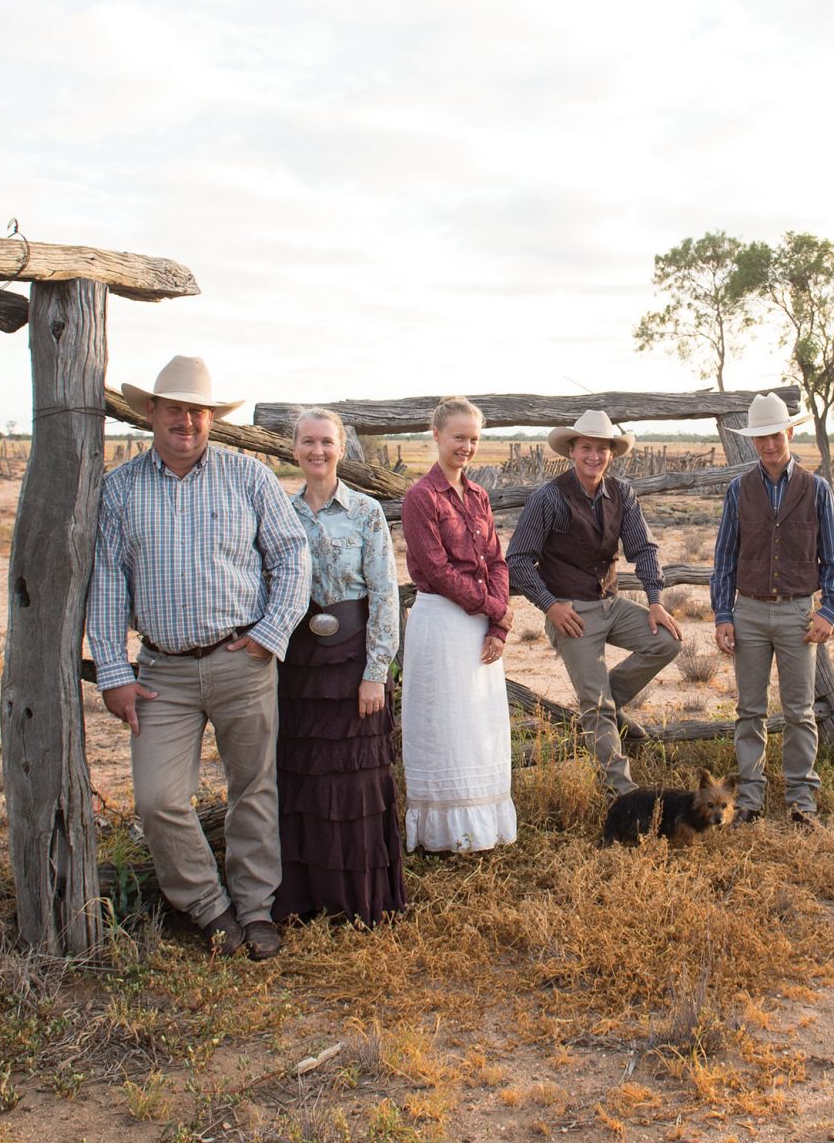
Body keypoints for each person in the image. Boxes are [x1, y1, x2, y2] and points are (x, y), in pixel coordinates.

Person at [88, 356, 310, 960]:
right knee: (158, 799)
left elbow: (291, 555)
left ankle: (257, 909)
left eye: (198, 410)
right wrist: (113, 671)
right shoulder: (121, 489)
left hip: (243, 659)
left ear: (211, 417)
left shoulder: (247, 477)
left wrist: (271, 632)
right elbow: (106, 582)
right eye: (175, 409)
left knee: (253, 788)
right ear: (152, 414)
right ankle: (209, 907)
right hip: (162, 673)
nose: (186, 420)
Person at [275, 407, 407, 924]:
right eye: (307, 442)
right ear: (294, 450)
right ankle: (306, 899)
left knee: (355, 779)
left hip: (353, 659)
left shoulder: (366, 512)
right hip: (300, 667)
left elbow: (384, 595)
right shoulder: (281, 512)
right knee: (304, 777)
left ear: (342, 448)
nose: (317, 451)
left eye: (326, 442)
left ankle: (360, 901)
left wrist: (376, 671)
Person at [506, 409, 681, 796]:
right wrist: (550, 605)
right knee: (598, 705)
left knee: (667, 641)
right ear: (572, 450)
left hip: (610, 605)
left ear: (612, 454)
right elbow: (517, 560)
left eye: (602, 449)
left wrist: (655, 600)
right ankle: (621, 792)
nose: (594, 456)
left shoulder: (623, 494)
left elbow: (645, 548)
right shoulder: (549, 498)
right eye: (586, 447)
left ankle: (598, 705)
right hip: (570, 613)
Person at [709, 393, 834, 828]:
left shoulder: (816, 489)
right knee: (749, 711)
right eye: (761, 438)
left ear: (789, 433)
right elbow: (724, 560)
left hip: (796, 614)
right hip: (748, 611)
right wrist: (723, 615)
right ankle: (749, 800)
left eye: (775, 435)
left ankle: (801, 802)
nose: (770, 445)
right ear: (753, 442)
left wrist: (828, 612)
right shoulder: (738, 490)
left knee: (799, 711)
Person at [399, 396, 518, 853]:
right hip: (443, 623)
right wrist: (494, 608)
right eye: (458, 437)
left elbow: (497, 560)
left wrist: (499, 626)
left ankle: (484, 829)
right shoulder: (420, 497)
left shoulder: (479, 496)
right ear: (436, 436)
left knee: (477, 723)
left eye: (474, 439)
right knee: (444, 722)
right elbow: (438, 570)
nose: (467, 446)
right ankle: (443, 834)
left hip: (480, 622)